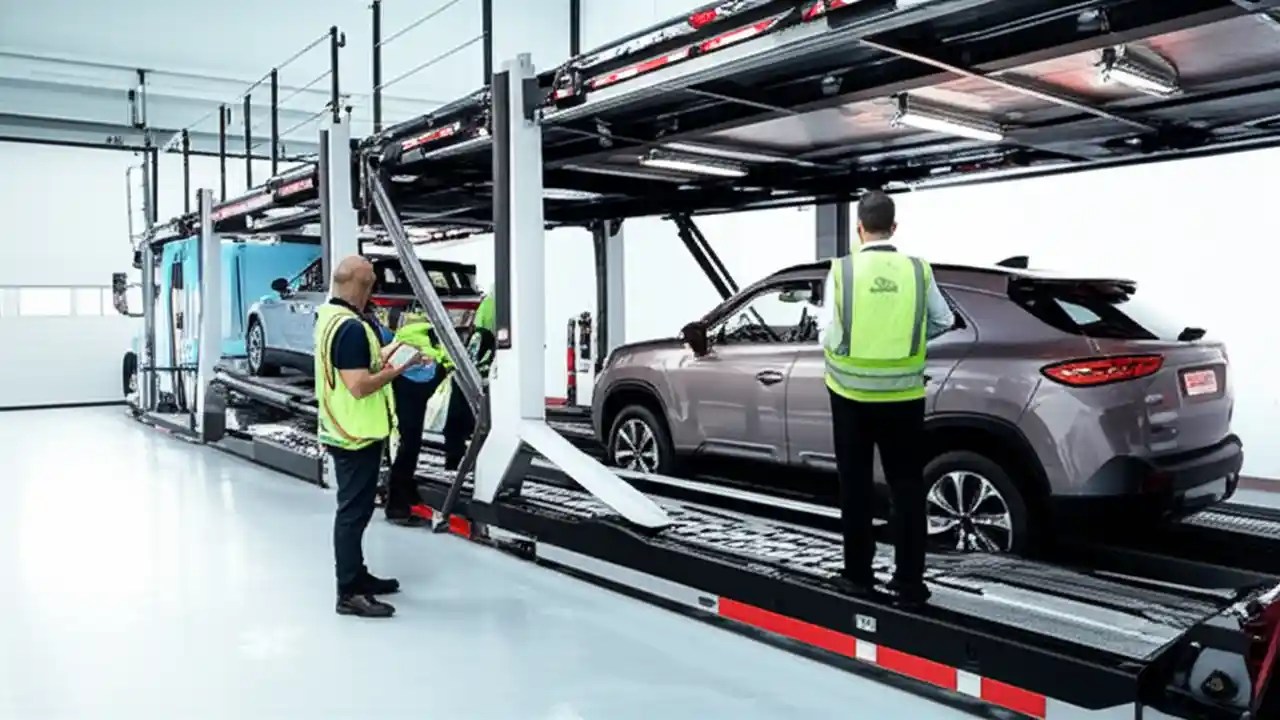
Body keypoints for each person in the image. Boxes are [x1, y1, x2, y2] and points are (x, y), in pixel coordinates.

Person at [817, 191, 954, 608]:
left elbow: (828, 334)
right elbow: (943, 320)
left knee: (855, 487)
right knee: (907, 488)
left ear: (859, 227)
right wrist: (907, 346)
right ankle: (909, 583)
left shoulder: (842, 271)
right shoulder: (918, 270)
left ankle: (858, 577)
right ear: (894, 228)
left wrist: (850, 352)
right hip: (904, 396)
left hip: (850, 396)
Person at [316, 255, 421, 618]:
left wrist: (393, 353)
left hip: (344, 429)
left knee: (357, 511)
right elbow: (359, 386)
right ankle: (348, 593)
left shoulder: (331, 317)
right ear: (363, 286)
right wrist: (400, 369)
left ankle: (357, 575)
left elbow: (361, 363)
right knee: (353, 513)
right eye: (372, 283)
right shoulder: (350, 329)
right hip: (355, 434)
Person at [368, 305, 447, 527]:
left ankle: (404, 493)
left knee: (409, 441)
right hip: (410, 383)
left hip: (407, 382)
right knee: (408, 442)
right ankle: (397, 504)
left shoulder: (408, 331)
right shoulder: (422, 334)